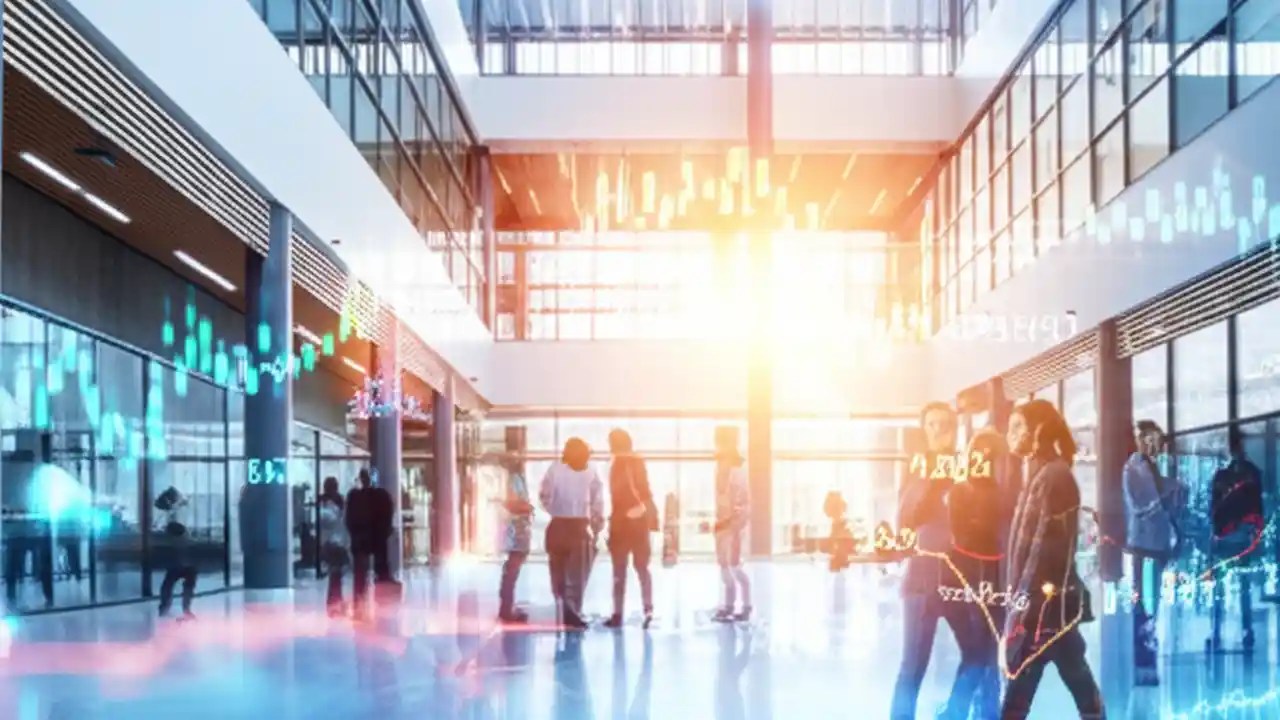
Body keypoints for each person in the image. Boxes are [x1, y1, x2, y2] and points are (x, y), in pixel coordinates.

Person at [1001, 399, 1104, 720]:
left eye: (1018, 427)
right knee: (1075, 677)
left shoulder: (1053, 476)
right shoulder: (1042, 473)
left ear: (1037, 431)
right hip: (1047, 606)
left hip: (1043, 607)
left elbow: (1045, 550)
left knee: (1020, 688)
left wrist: (1024, 604)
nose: (1010, 434)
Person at [891, 401, 966, 720]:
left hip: (960, 579)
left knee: (980, 654)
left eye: (945, 424)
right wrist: (930, 479)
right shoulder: (917, 470)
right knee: (913, 664)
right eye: (932, 424)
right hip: (922, 581)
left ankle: (954, 712)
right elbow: (905, 518)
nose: (938, 431)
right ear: (924, 430)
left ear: (955, 428)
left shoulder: (966, 468)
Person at [939, 427, 1014, 720]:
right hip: (973, 578)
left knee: (987, 651)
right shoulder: (965, 492)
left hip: (989, 579)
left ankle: (980, 711)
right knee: (981, 652)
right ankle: (961, 710)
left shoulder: (997, 494)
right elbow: (965, 537)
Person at [1122, 419, 1179, 683]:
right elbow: (1138, 506)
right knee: (1143, 602)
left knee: (1151, 601)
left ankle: (1148, 655)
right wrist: (1163, 500)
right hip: (1144, 544)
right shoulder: (1133, 468)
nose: (1152, 444)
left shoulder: (1153, 467)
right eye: (1147, 438)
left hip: (1157, 544)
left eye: (1154, 439)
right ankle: (1143, 659)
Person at [1207, 427, 1263, 652]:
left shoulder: (1223, 476)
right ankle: (1245, 630)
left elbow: (1214, 510)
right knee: (1243, 586)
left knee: (1223, 587)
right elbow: (1258, 507)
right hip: (1240, 538)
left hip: (1228, 538)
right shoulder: (1251, 473)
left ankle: (1218, 629)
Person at [539, 437, 604, 630]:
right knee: (577, 575)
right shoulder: (591, 472)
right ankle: (573, 612)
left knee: (558, 573)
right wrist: (597, 523)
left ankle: (564, 608)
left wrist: (554, 509)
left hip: (557, 525)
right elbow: (598, 502)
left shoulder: (554, 469)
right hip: (579, 527)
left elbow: (544, 495)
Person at [605, 428, 656, 629]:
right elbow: (645, 492)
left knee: (620, 570)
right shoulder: (635, 462)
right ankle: (648, 609)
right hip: (637, 522)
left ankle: (618, 614)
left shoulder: (620, 464)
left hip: (622, 523)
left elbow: (624, 495)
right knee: (641, 568)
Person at [712, 426, 751, 623]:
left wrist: (735, 523)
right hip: (722, 523)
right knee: (724, 566)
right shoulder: (720, 467)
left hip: (734, 524)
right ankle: (728, 605)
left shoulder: (739, 469)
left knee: (735, 565)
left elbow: (742, 501)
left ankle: (746, 606)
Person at [346, 468, 394, 619]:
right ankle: (379, 604)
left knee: (364, 574)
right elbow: (387, 517)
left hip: (365, 539)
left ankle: (363, 605)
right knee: (376, 572)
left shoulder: (356, 496)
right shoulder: (380, 496)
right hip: (373, 539)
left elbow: (350, 519)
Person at [498, 454, 534, 623]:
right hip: (516, 529)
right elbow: (512, 503)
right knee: (512, 569)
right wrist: (527, 508)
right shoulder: (513, 479)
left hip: (520, 528)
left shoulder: (516, 479)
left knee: (512, 569)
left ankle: (507, 605)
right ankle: (506, 608)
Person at [154, 486, 197, 621]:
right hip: (184, 557)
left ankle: (168, 608)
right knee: (182, 583)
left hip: (180, 558)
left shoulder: (174, 513)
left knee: (170, 583)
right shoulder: (176, 512)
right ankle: (184, 609)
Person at [318, 476, 349, 616]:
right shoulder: (338, 503)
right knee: (336, 574)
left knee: (334, 574)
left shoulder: (325, 503)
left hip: (330, 543)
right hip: (337, 543)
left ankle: (334, 601)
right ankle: (336, 601)